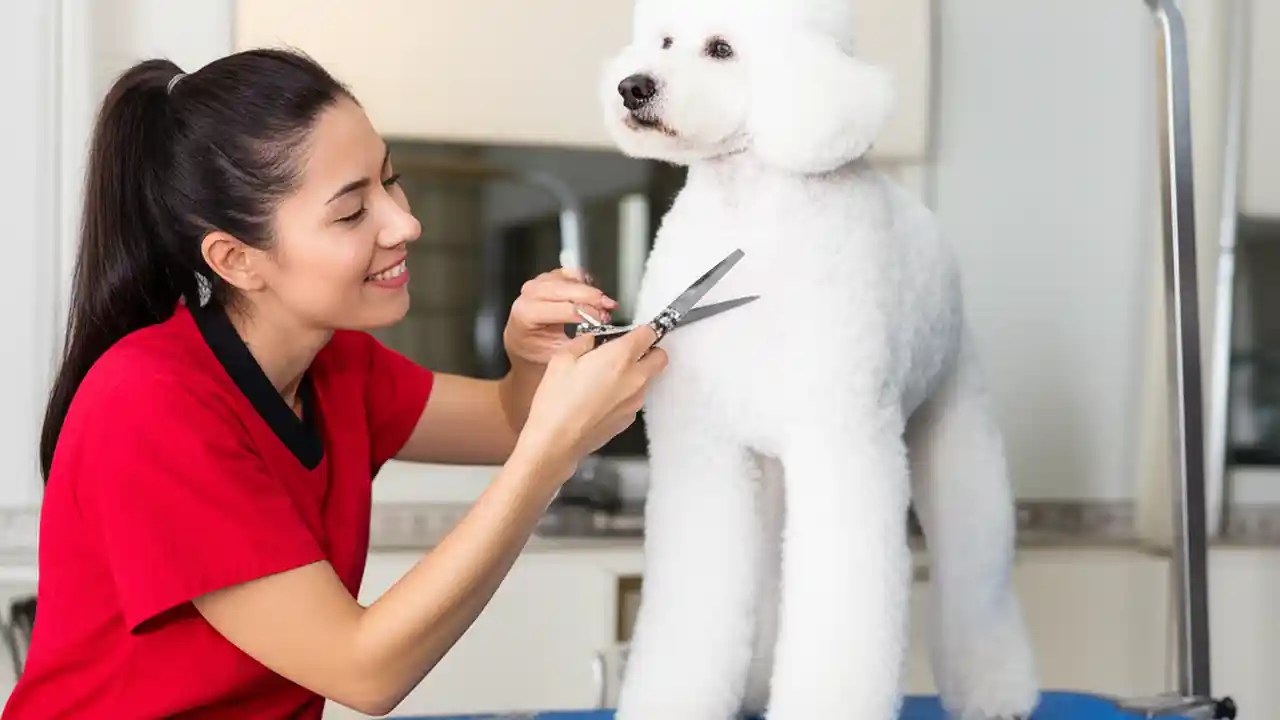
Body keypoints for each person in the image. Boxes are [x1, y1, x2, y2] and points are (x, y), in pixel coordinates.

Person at [2, 49, 666, 719]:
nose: (405, 223)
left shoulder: (340, 366)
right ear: (235, 259)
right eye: (352, 213)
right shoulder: (149, 403)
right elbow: (365, 670)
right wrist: (548, 456)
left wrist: (531, 363)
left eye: (391, 180)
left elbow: (506, 421)